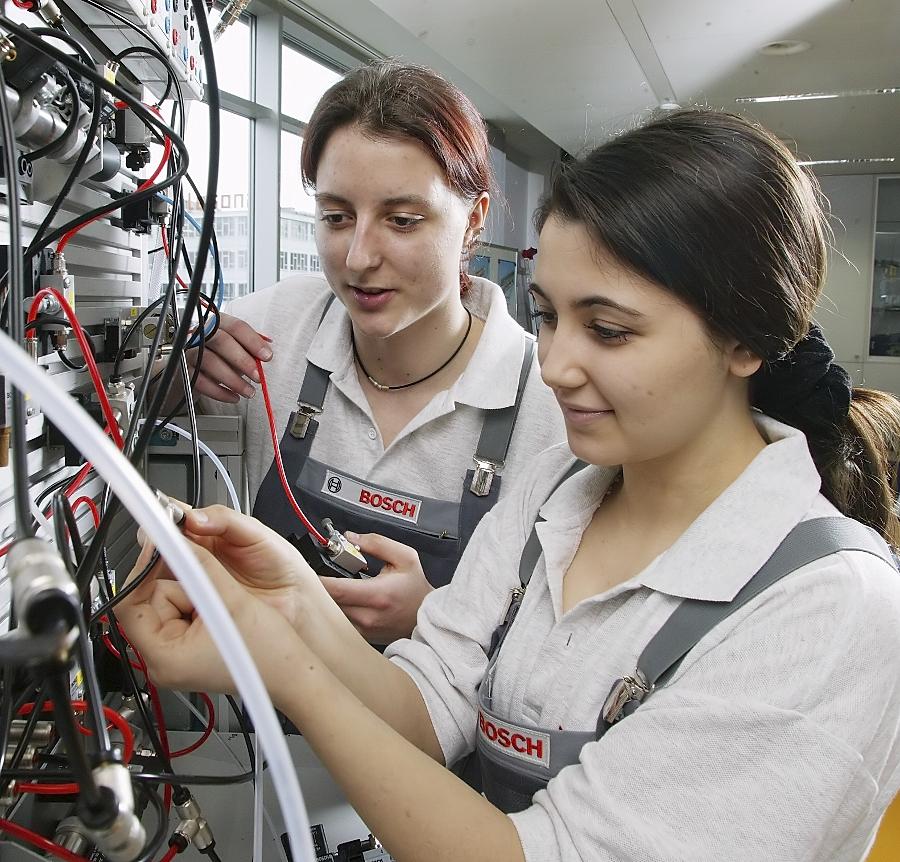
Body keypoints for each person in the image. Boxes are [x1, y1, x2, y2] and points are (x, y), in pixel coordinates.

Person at [121, 109, 900, 861]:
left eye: (609, 330)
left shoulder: (828, 608)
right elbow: (428, 707)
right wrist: (290, 600)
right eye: (548, 316)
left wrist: (278, 662)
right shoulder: (561, 487)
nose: (555, 366)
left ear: (745, 339)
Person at [190, 61, 564, 643]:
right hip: (257, 722)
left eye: (403, 220)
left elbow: (566, 648)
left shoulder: (548, 405)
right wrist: (174, 362)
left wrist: (438, 621)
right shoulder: (274, 332)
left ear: (474, 220)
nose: (359, 257)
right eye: (336, 217)